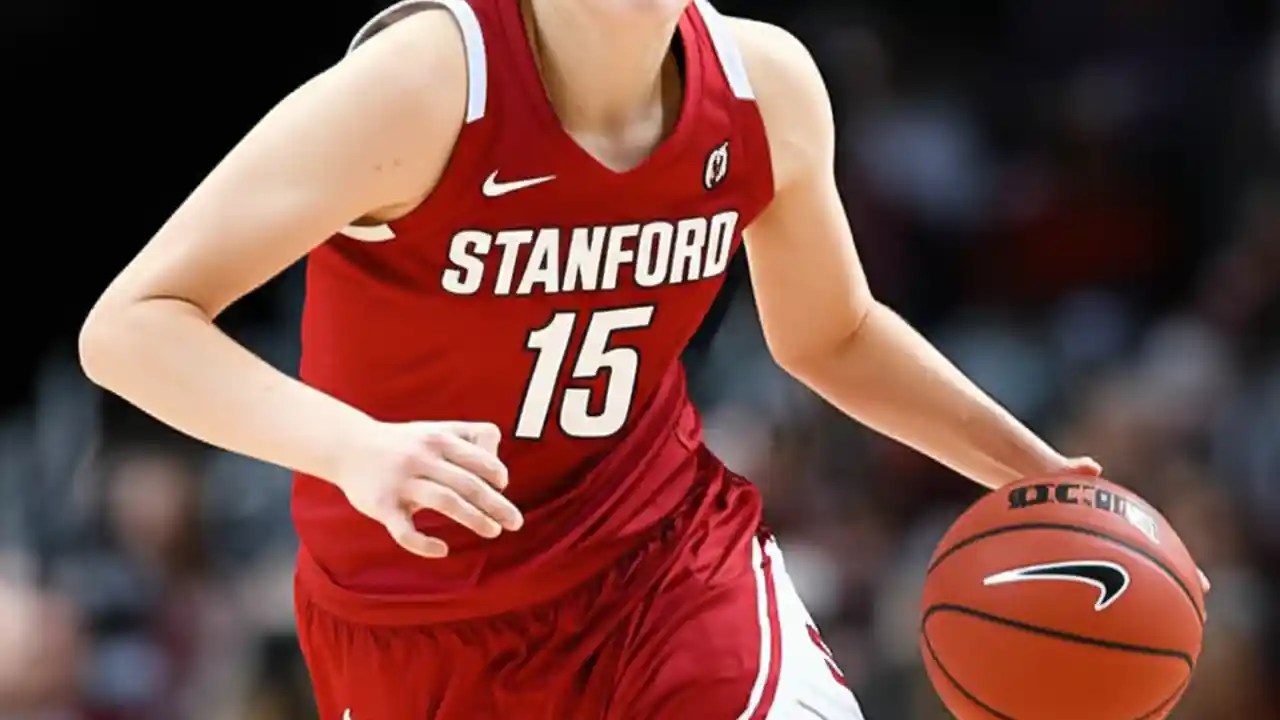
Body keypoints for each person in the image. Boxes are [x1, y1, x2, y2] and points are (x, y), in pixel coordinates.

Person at [78, 0, 1157, 717]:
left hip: (665, 567)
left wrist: (1039, 477)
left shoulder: (763, 86)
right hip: (414, 627)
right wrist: (353, 445)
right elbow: (132, 323)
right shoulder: (421, 86)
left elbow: (828, 332)